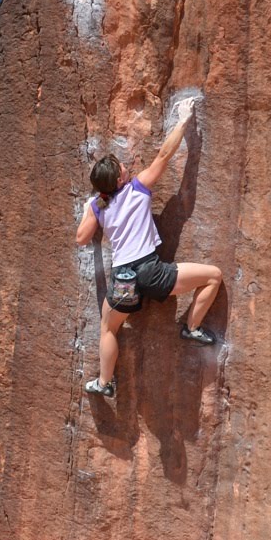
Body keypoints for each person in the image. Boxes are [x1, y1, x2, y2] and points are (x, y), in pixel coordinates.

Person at [75, 107, 222, 398]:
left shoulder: (98, 205)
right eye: (121, 168)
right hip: (151, 272)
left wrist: (86, 209)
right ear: (119, 180)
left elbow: (81, 238)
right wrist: (182, 121)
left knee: (108, 329)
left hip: (123, 278)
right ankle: (191, 327)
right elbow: (165, 156)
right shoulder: (138, 188)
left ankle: (104, 383)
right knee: (214, 277)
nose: (125, 167)